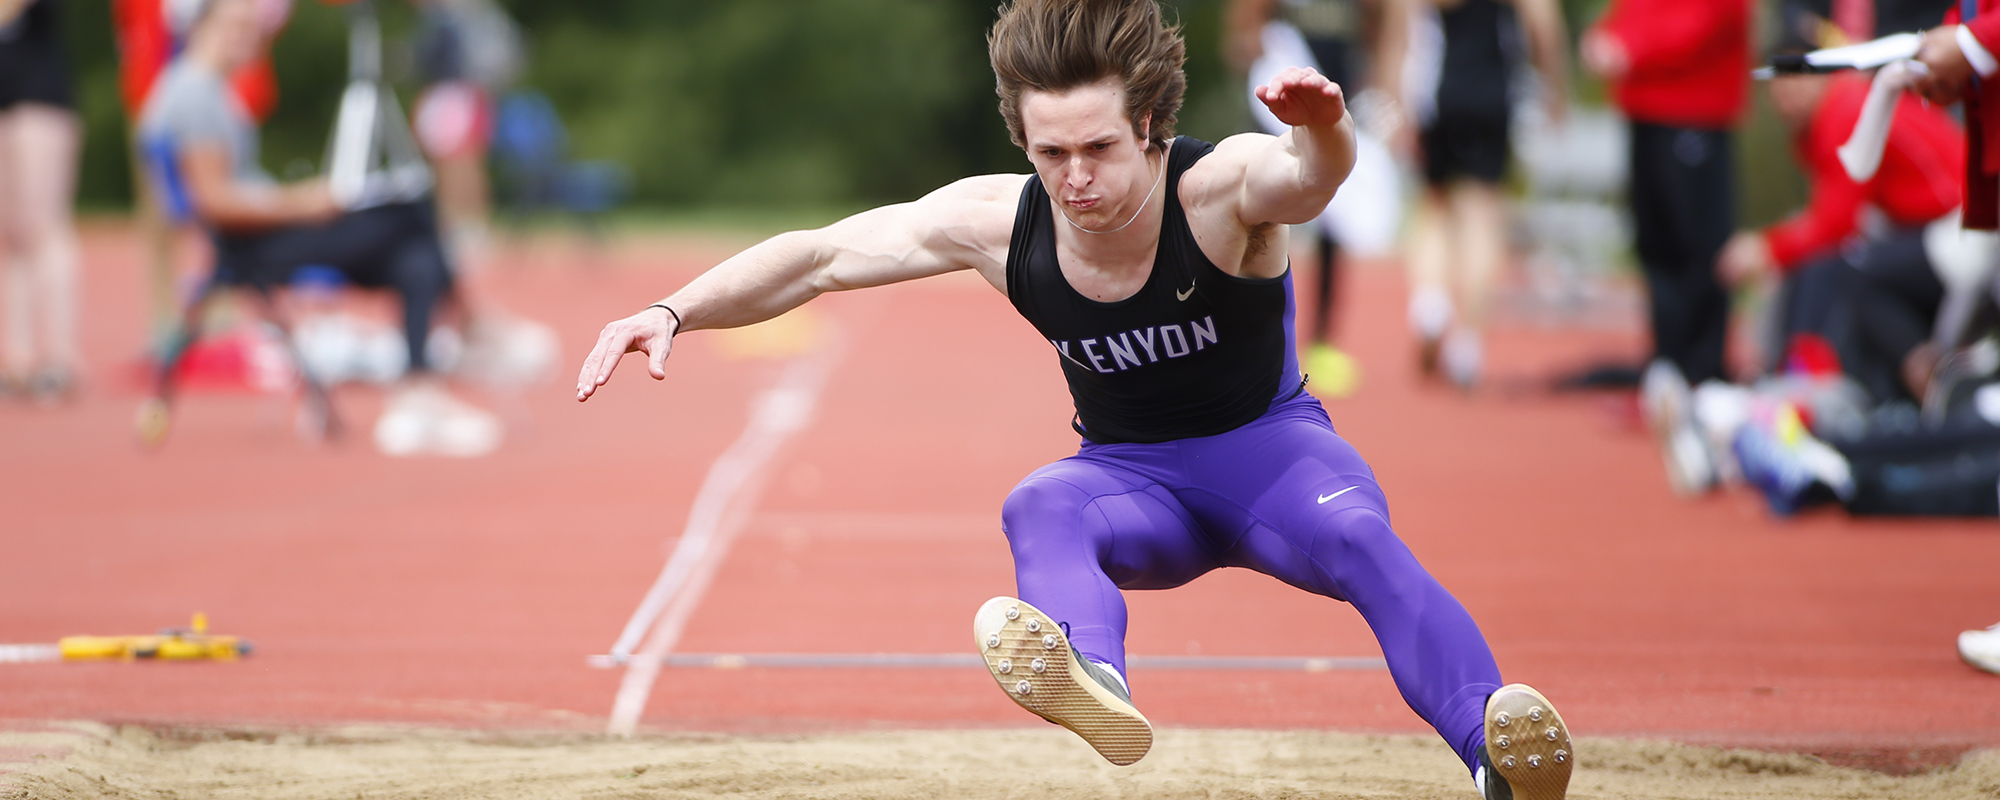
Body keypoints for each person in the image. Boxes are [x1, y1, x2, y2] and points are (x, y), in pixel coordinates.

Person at [577, 2, 1573, 797]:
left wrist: (1326, 128)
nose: (1074, 177)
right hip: (1131, 484)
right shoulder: (996, 221)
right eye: (1049, 154)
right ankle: (1092, 681)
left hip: (1274, 460)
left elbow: (1304, 178)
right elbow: (821, 256)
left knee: (1361, 541)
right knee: (1039, 500)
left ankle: (1494, 748)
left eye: (1096, 149)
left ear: (1147, 125)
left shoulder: (1214, 190)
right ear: (1023, 140)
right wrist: (674, 308)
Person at [139, 0, 500, 456]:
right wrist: (301, 203)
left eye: (252, 29)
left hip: (267, 234)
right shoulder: (193, 94)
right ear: (204, 25)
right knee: (411, 208)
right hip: (255, 246)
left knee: (416, 260)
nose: (251, 38)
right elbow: (214, 203)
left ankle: (420, 392)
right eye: (238, 27)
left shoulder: (204, 90)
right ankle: (470, 330)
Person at [1225, 0, 1410, 399]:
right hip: (1278, 101)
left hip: (1334, 104)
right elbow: (1245, 27)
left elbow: (1384, 26)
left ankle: (1323, 342)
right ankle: (1244, 334)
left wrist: (1386, 94)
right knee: (1260, 218)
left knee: (1333, 225)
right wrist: (1251, 48)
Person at [1582, 0, 1750, 388]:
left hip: (1693, 110)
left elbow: (1706, 21)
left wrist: (1630, 50)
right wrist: (1606, 39)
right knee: (1654, 242)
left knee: (1696, 245)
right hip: (1645, 108)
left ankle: (1701, 369)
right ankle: (1668, 362)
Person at [1403, 0, 1567, 389]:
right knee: (1482, 216)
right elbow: (1543, 23)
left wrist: (1396, 102)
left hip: (1437, 96)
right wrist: (1555, 88)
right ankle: (1468, 343)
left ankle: (1430, 304)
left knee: (1434, 207)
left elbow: (1403, 27)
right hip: (1492, 94)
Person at [0, 0, 82, 403]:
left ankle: (60, 356)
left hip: (39, 101)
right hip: (4, 102)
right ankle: (16, 359)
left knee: (44, 226)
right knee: (10, 235)